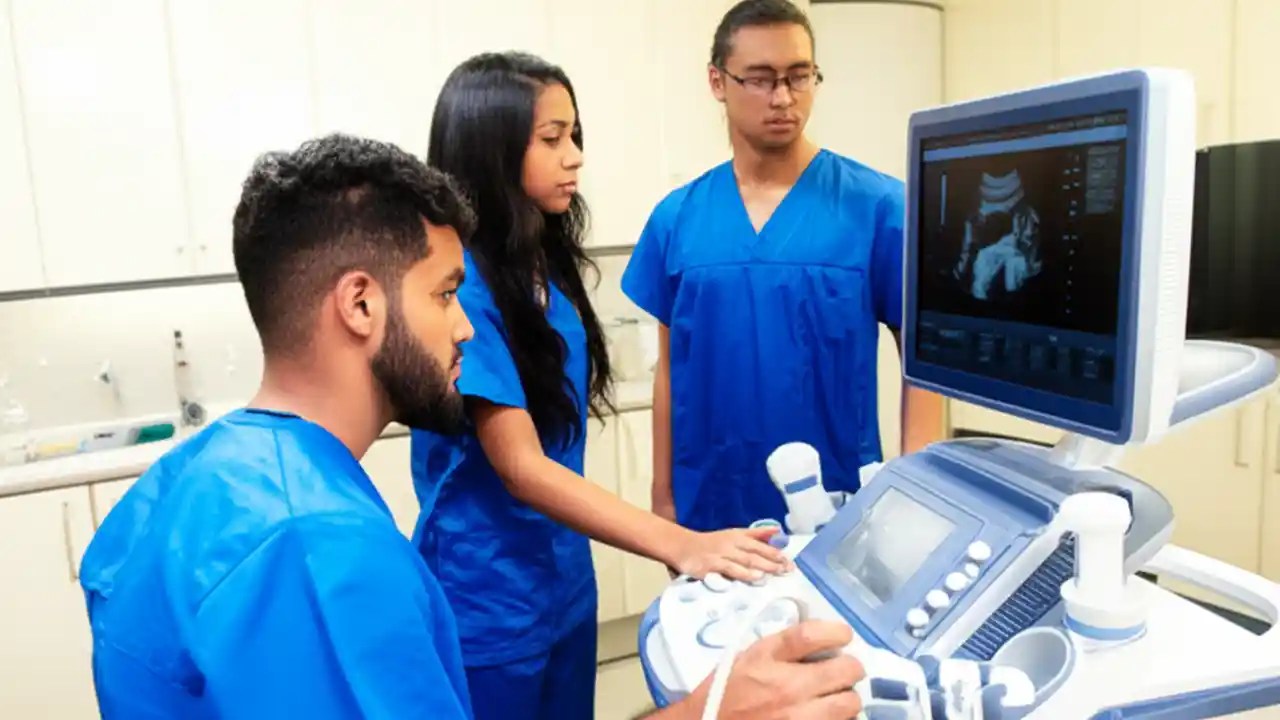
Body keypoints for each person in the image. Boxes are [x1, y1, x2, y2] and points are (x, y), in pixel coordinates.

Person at [76, 133, 867, 718]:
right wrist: (707, 711)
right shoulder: (321, 551)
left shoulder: (190, 479)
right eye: (445, 294)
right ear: (361, 304)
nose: (463, 329)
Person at [411, 52, 790, 720]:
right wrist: (679, 540)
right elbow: (523, 469)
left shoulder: (544, 267)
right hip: (488, 596)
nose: (575, 156)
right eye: (552, 139)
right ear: (494, 150)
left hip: (561, 579)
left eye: (575, 135)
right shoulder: (462, 283)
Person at [621, 0, 946, 535]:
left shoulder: (878, 207)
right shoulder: (677, 218)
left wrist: (916, 489)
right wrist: (663, 502)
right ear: (717, 81)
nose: (784, 97)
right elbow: (669, 371)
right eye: (761, 78)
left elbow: (924, 358)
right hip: (710, 509)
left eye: (800, 76)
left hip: (842, 509)